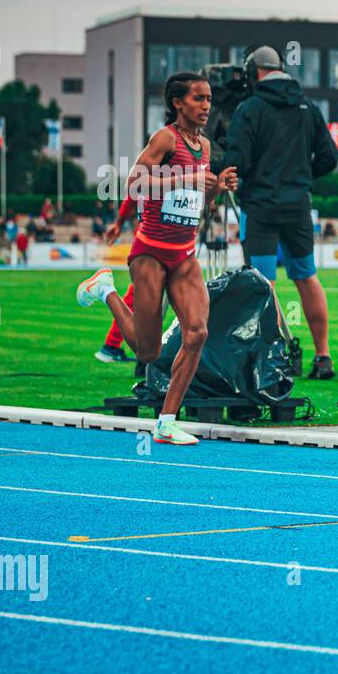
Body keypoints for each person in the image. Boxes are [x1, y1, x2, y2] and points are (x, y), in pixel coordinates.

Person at [76, 72, 238, 445]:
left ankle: (167, 420)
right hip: (149, 253)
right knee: (148, 352)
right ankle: (106, 291)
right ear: (178, 103)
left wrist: (216, 187)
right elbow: (133, 183)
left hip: (183, 255)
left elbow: (200, 205)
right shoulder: (165, 138)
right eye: (198, 98)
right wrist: (184, 179)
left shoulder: (207, 147)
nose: (206, 106)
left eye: (209, 99)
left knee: (197, 333)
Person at [219, 45, 338, 379]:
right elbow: (329, 157)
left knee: (263, 282)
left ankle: (274, 358)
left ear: (253, 72)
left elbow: (236, 161)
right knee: (306, 276)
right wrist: (299, 178)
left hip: (260, 206)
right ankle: (323, 356)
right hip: (297, 205)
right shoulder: (307, 107)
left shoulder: (250, 108)